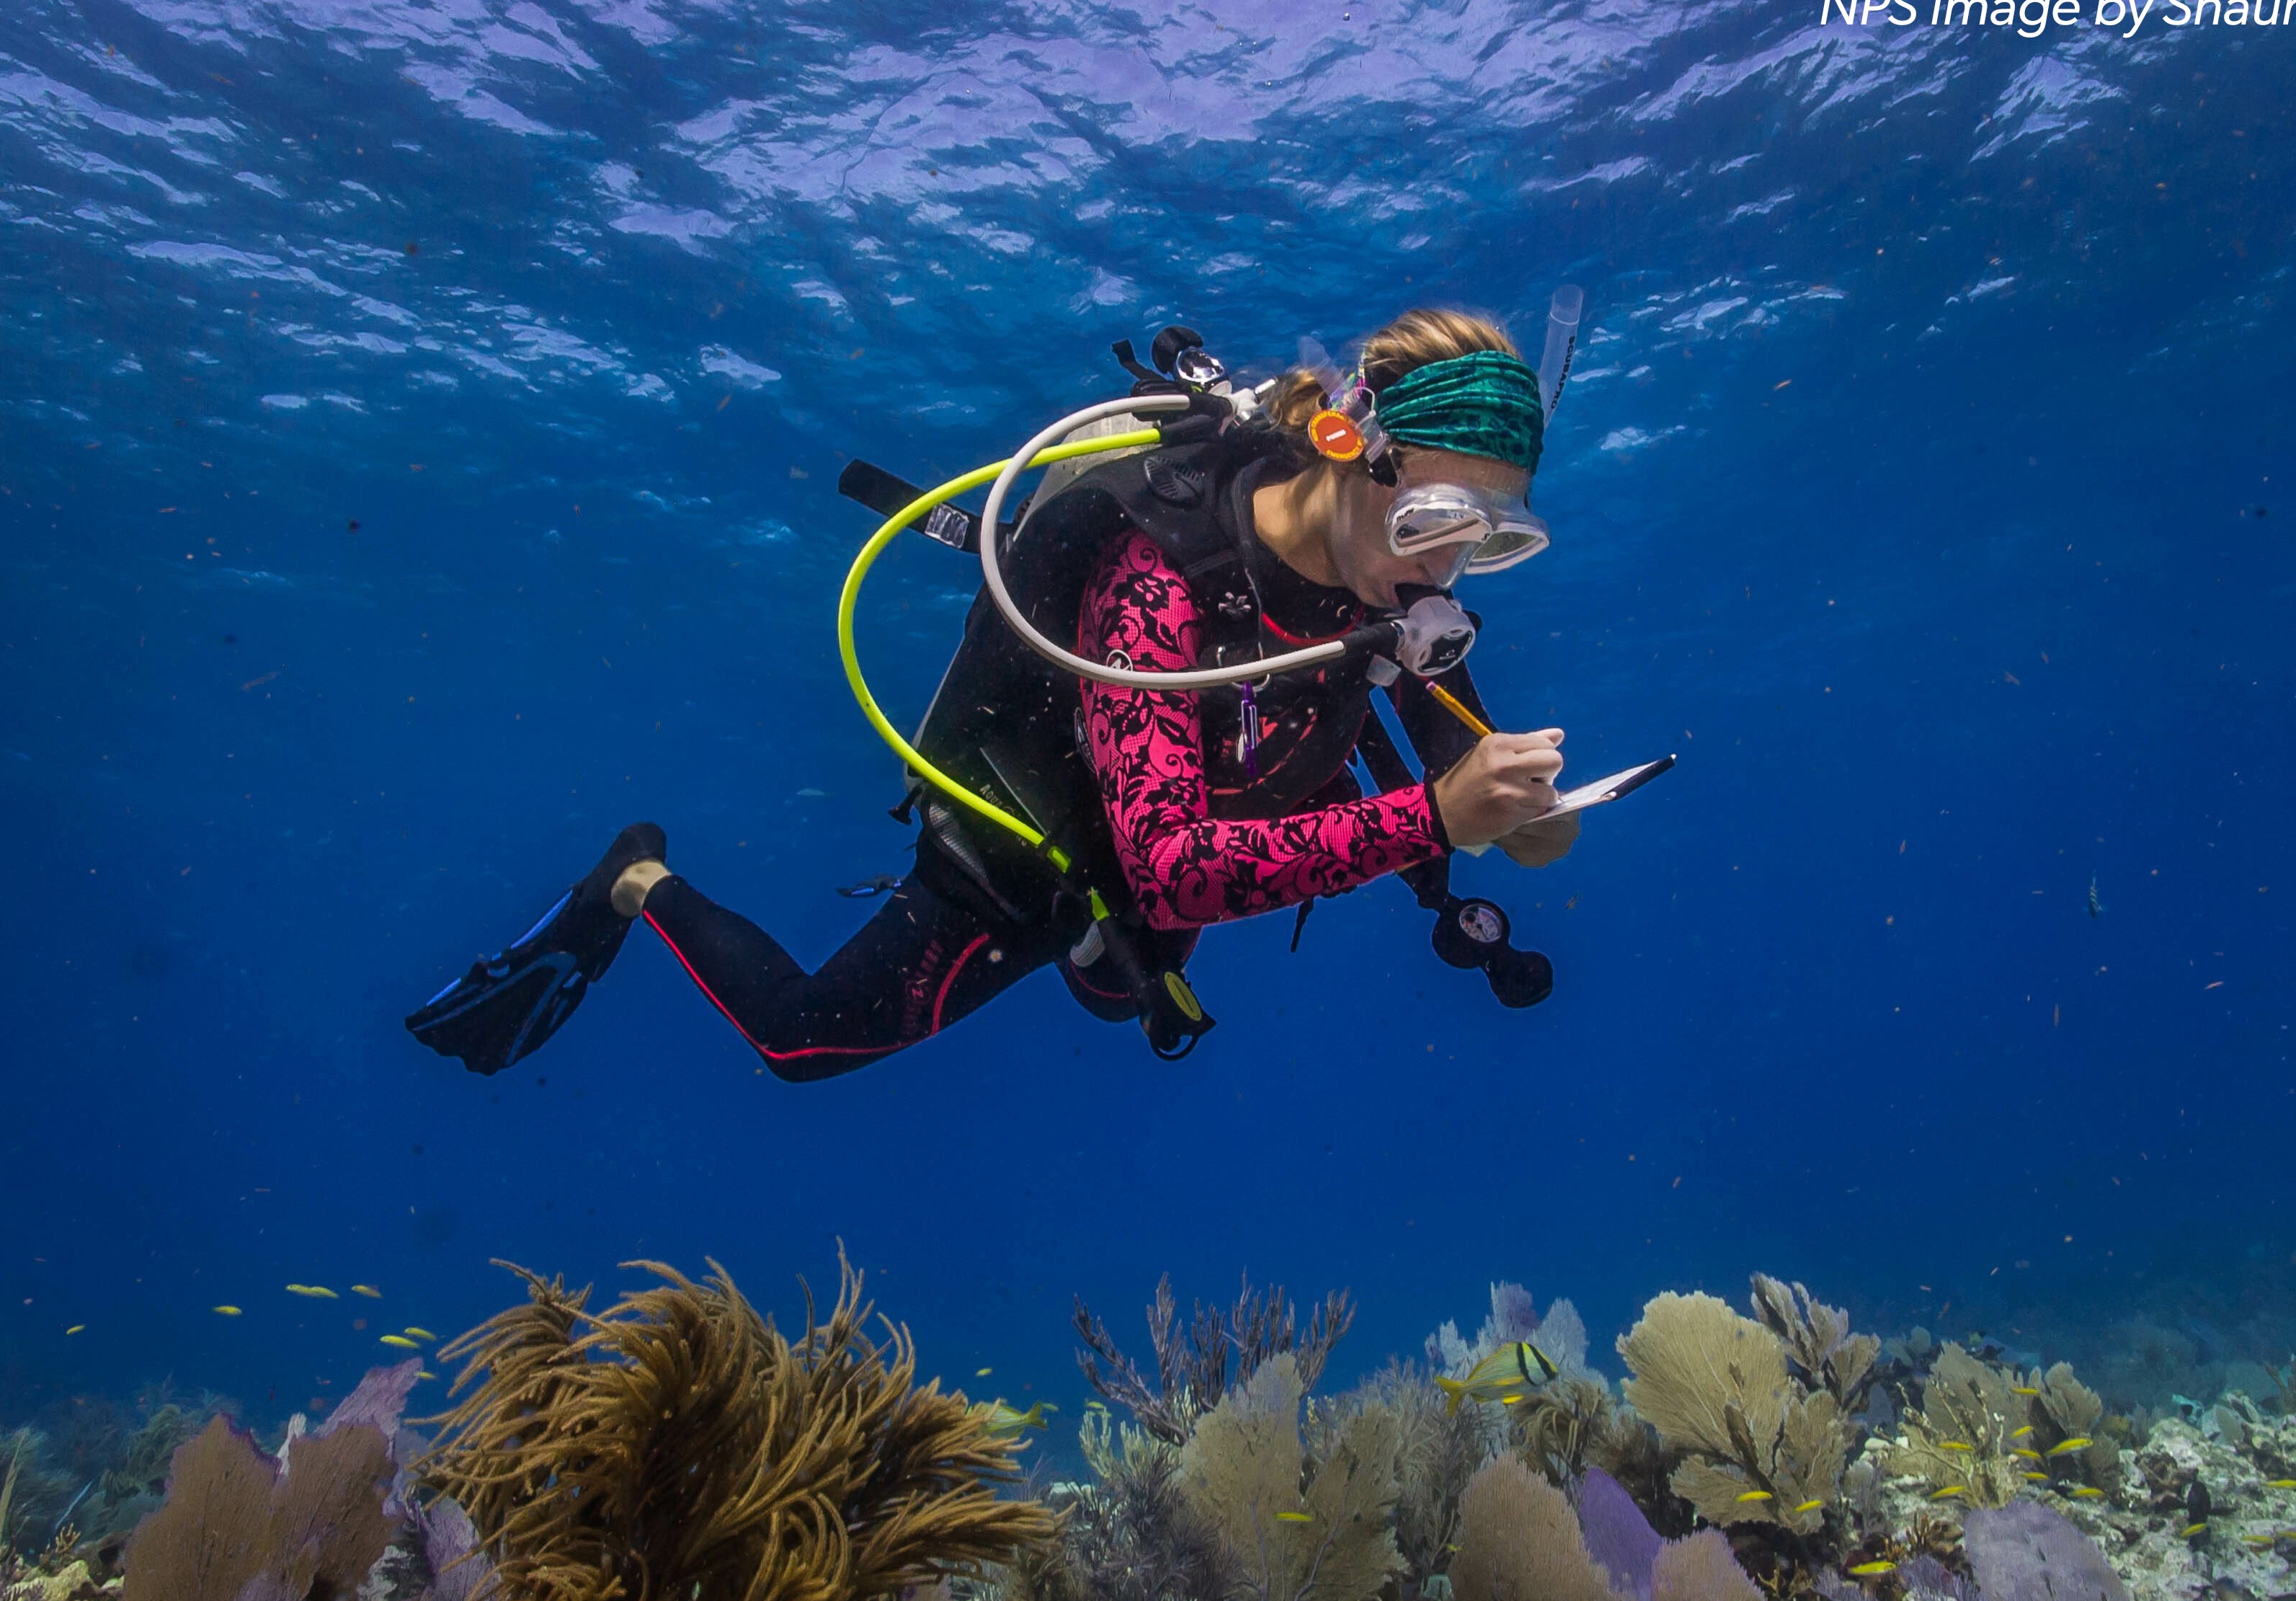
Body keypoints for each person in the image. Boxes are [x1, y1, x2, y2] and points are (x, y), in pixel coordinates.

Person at [406, 309, 1579, 1081]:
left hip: (1169, 855)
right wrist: (1437, 819)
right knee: (801, 1042)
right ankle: (633, 875)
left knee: (1125, 992)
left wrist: (1530, 814)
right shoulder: (1166, 573)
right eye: (1433, 521)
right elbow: (1176, 862)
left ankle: (1096, 951)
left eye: (1491, 542)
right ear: (1344, 446)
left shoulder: (1398, 598)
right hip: (1031, 825)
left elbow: (1477, 780)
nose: (1447, 570)